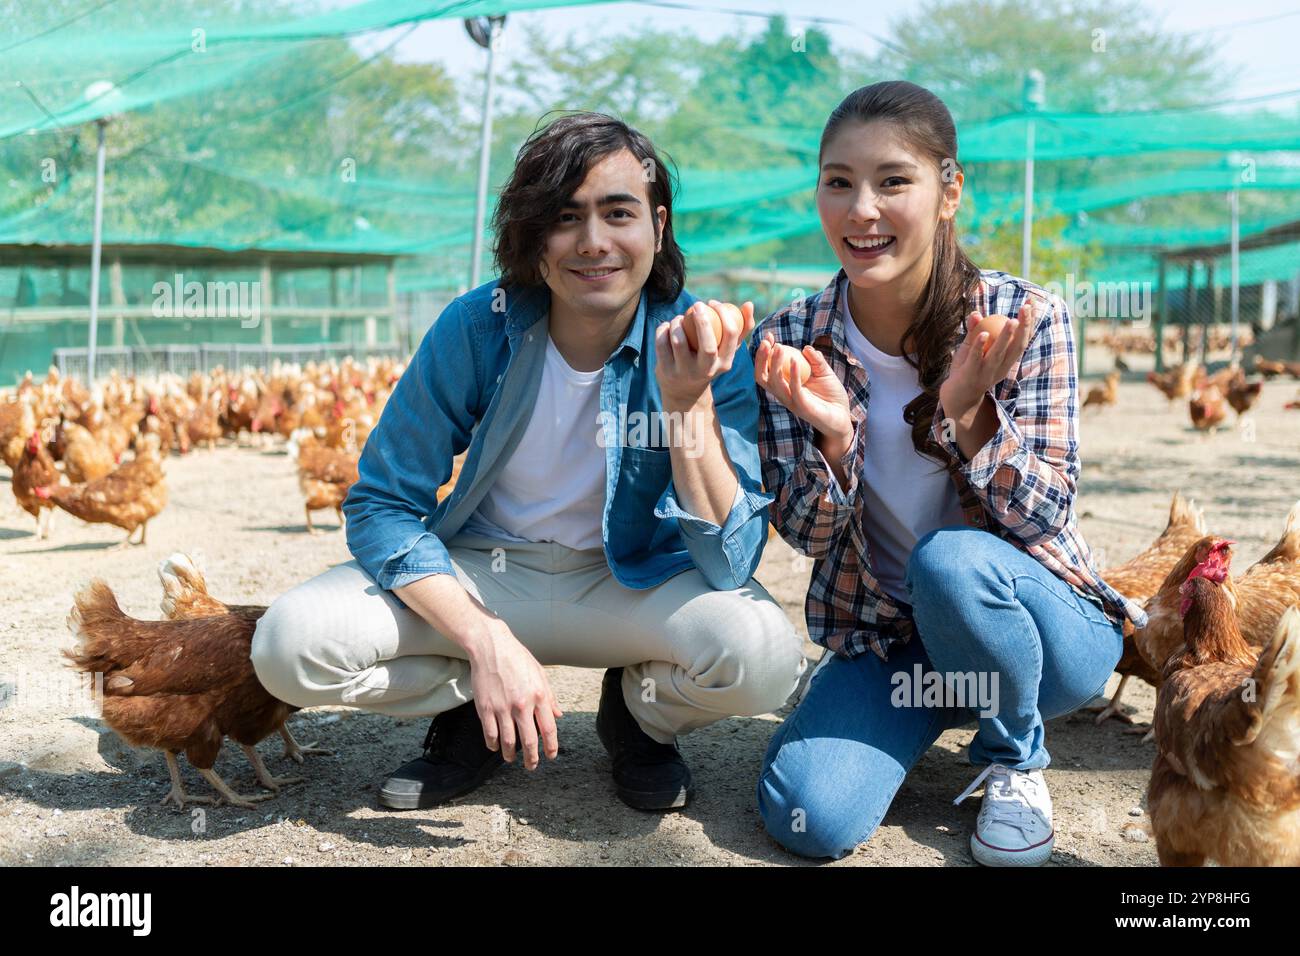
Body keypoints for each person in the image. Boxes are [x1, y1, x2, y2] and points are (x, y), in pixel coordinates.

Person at [250, 111, 804, 813]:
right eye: (566, 217)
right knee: (287, 647)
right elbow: (382, 503)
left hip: (629, 585)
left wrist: (687, 402)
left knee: (764, 659)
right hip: (484, 575)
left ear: (657, 227)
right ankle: (475, 708)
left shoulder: (705, 339)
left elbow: (729, 562)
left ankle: (638, 718)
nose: (594, 242)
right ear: (533, 236)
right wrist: (483, 641)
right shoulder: (478, 326)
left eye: (618, 213)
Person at [750, 81, 1147, 865]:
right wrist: (832, 442)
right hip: (893, 639)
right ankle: (886, 709)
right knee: (812, 817)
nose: (862, 209)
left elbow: (1044, 514)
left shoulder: (1024, 320)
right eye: (839, 182)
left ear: (948, 192)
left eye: (893, 181)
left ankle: (1013, 757)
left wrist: (968, 419)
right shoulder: (791, 338)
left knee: (951, 559)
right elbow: (801, 533)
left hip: (1040, 629)